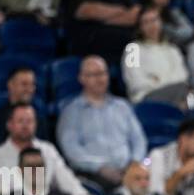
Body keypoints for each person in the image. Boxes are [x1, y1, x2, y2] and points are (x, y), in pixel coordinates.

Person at [58, 55, 149, 187]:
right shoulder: (72, 111)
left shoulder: (122, 107)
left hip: (129, 172)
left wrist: (134, 163)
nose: (100, 79)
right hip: (93, 176)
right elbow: (71, 150)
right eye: (93, 75)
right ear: (82, 78)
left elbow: (139, 140)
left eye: (102, 73)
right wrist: (99, 168)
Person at [0, 102, 91, 195]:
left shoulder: (48, 150)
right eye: (20, 121)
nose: (25, 126)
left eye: (29, 121)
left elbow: (66, 179)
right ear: (9, 125)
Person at [123, 5, 190, 106]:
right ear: (140, 27)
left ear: (161, 22)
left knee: (189, 94)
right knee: (185, 93)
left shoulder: (172, 49)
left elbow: (182, 76)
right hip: (145, 99)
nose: (151, 25)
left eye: (154, 20)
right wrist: (165, 83)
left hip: (175, 94)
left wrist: (157, 79)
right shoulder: (133, 50)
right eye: (146, 22)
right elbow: (135, 83)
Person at [0, 65, 41, 152]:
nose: (29, 89)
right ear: (10, 85)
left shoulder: (39, 117)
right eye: (24, 84)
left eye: (32, 85)